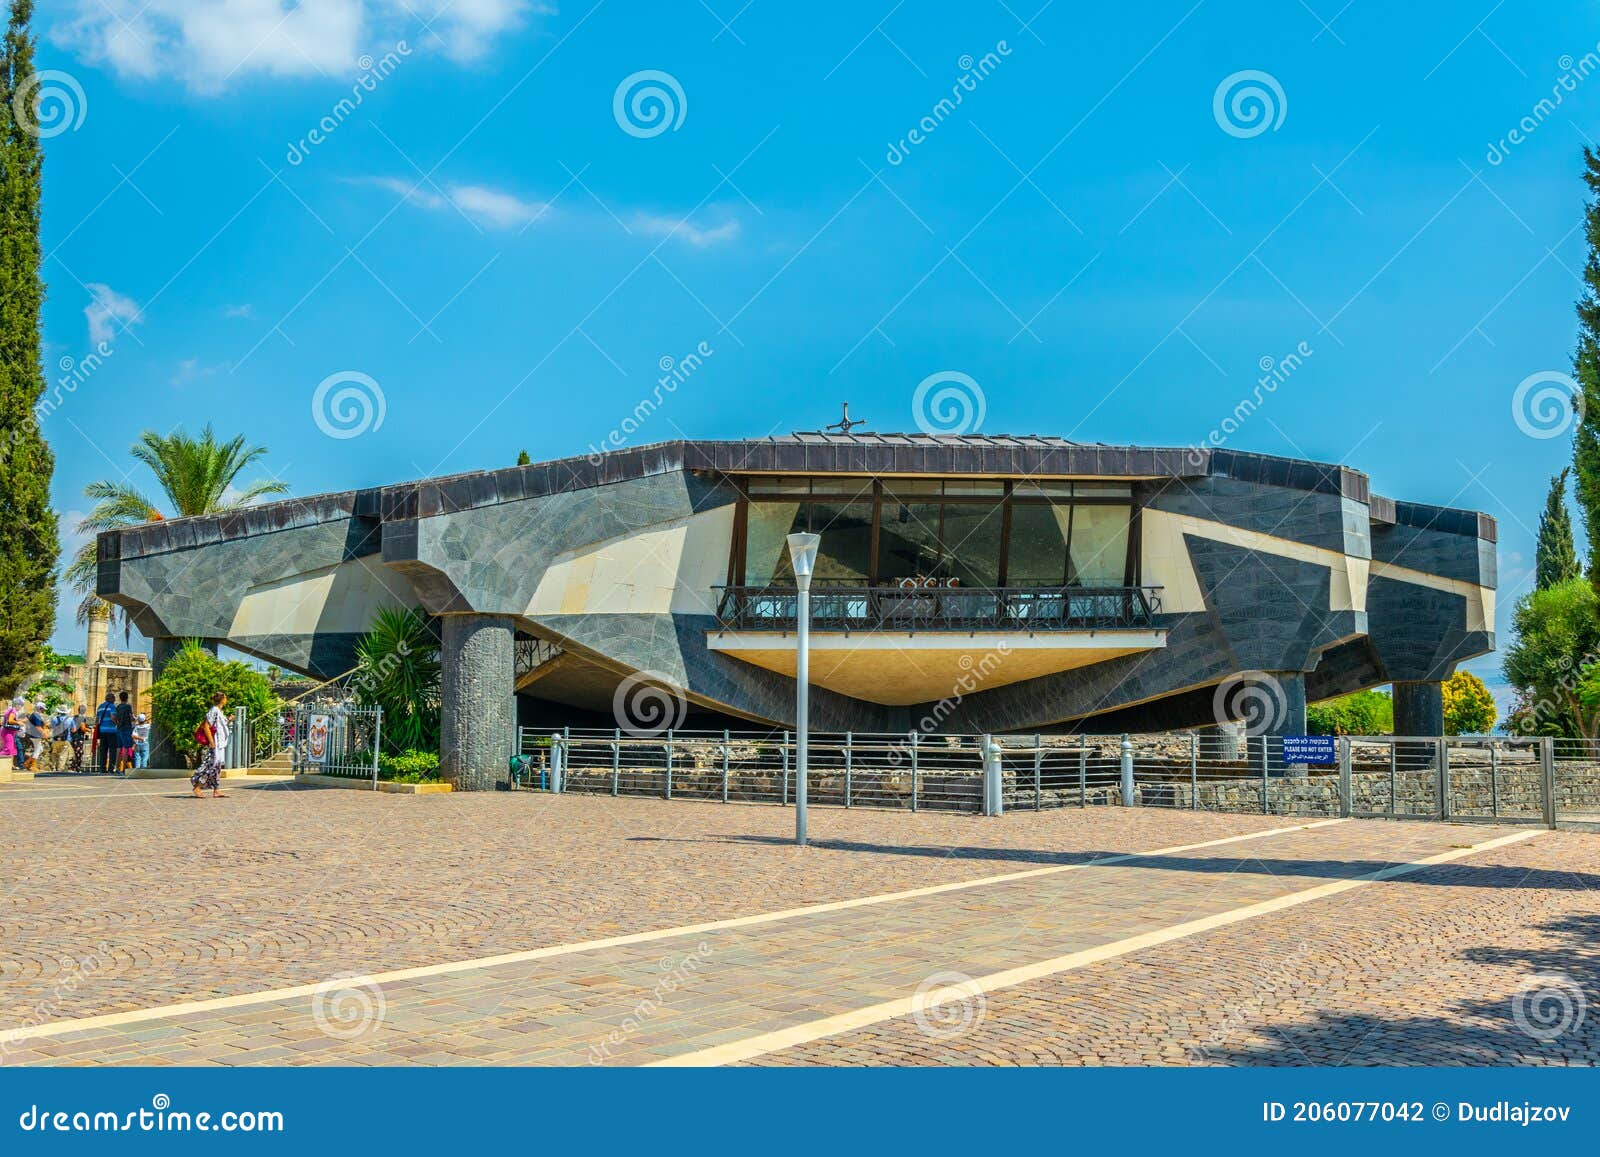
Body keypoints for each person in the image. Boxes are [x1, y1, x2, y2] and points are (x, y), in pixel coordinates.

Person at [191, 691, 229, 798]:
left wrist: (229, 721)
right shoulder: (214, 710)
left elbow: (221, 727)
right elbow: (206, 726)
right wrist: (211, 741)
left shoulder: (219, 711)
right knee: (211, 766)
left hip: (220, 744)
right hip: (215, 743)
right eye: (225, 697)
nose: (226, 699)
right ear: (222, 699)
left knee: (217, 767)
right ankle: (197, 786)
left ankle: (216, 790)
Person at [93, 691, 118, 774]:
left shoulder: (100, 707)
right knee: (112, 750)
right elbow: (113, 717)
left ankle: (102, 768)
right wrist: (117, 724)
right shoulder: (112, 706)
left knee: (103, 750)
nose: (114, 700)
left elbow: (97, 720)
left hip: (102, 731)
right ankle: (111, 768)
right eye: (113, 698)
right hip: (111, 730)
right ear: (110, 699)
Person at [114, 691, 135, 773]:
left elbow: (115, 717)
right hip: (126, 729)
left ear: (120, 698)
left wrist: (117, 723)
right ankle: (124, 770)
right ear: (127, 698)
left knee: (118, 749)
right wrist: (134, 719)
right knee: (126, 749)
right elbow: (131, 717)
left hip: (119, 729)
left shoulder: (118, 707)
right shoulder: (128, 706)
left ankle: (117, 768)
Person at [23, 702, 47, 772]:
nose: (44, 711)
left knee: (40, 749)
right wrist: (44, 734)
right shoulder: (36, 715)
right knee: (37, 750)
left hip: (33, 734)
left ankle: (27, 763)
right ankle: (33, 766)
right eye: (43, 709)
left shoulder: (35, 714)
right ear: (40, 708)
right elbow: (38, 727)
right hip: (35, 735)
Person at [49, 706, 72, 772]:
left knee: (54, 753)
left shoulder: (54, 719)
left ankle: (53, 767)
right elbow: (73, 729)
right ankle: (59, 769)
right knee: (63, 754)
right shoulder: (70, 719)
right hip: (65, 739)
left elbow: (51, 727)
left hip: (55, 739)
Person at [1, 697, 21, 770]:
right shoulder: (13, 710)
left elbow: (4, 721)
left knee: (12, 749)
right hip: (8, 732)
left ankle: (11, 765)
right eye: (20, 705)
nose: (21, 707)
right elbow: (10, 720)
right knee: (8, 749)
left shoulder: (11, 710)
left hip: (9, 732)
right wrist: (18, 722)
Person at [69, 705, 88, 772]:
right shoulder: (82, 718)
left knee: (74, 752)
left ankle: (73, 767)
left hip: (73, 737)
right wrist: (89, 730)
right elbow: (83, 728)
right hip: (79, 738)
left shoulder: (74, 717)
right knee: (79, 753)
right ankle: (77, 767)